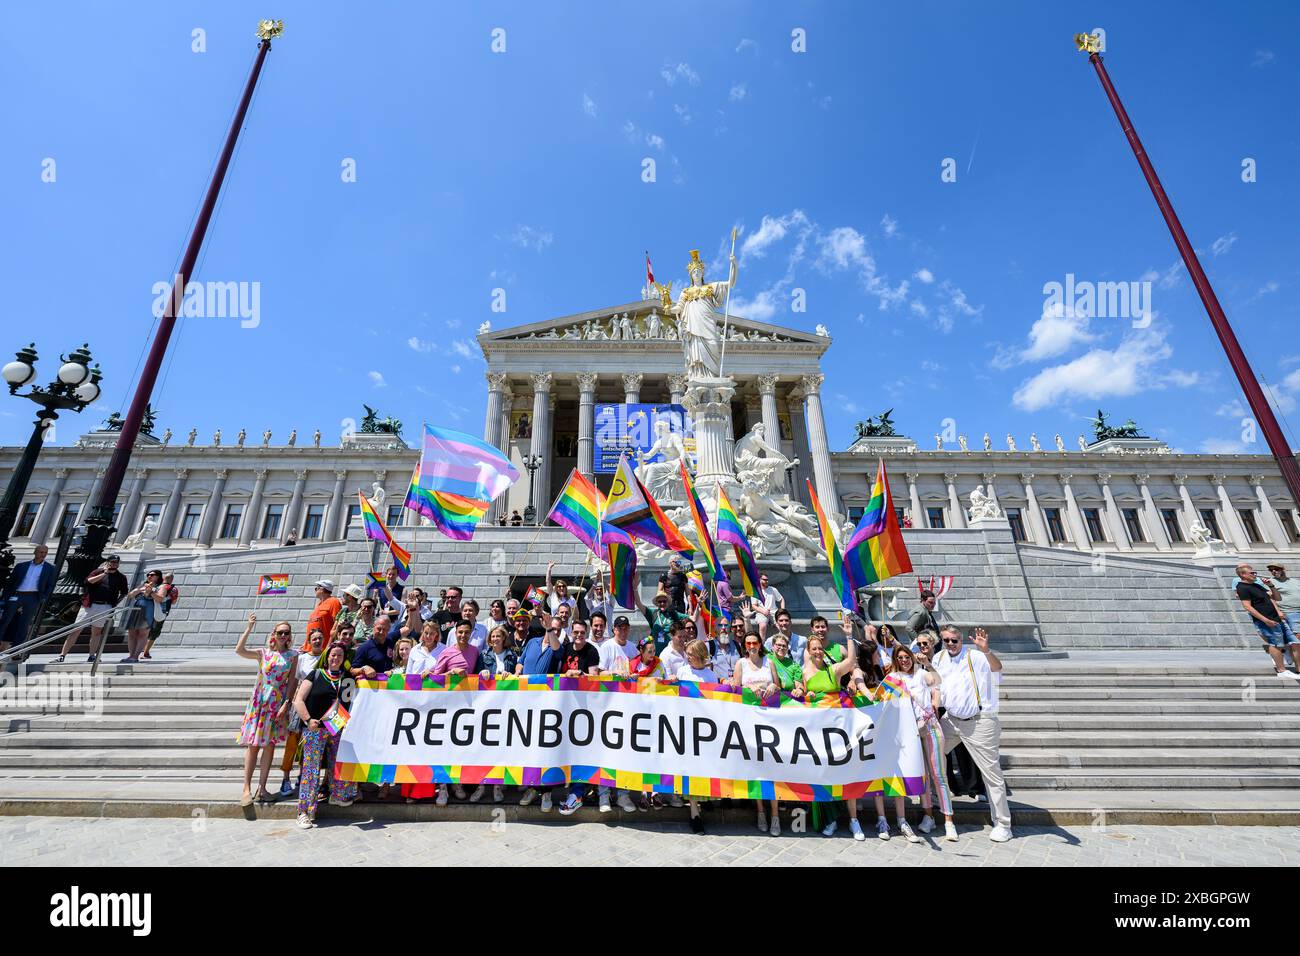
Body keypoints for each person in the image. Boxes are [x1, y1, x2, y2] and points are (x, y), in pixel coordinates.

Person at [934, 625, 1012, 842]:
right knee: (929, 756)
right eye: (947, 640)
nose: (951, 644)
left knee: (991, 774)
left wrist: (986, 650)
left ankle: (1003, 824)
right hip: (951, 720)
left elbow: (997, 669)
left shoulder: (976, 656)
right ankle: (935, 804)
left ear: (962, 640)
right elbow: (936, 687)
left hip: (979, 722)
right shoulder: (939, 658)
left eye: (955, 640)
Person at [891, 642, 957, 842]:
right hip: (910, 732)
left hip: (930, 726)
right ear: (896, 660)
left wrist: (928, 664)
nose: (904, 661)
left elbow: (937, 681)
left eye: (907, 657)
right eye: (900, 658)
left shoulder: (921, 674)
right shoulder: (895, 678)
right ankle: (928, 816)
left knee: (939, 774)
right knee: (923, 777)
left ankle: (949, 820)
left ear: (912, 658)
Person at [292, 641, 359, 828]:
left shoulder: (347, 679)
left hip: (335, 727)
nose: (335, 658)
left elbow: (347, 704)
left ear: (344, 659)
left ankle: (337, 795)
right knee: (311, 769)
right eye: (333, 655)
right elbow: (298, 700)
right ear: (327, 657)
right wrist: (308, 720)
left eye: (339, 655)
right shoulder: (316, 674)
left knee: (336, 763)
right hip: (314, 727)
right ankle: (304, 811)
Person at [804, 623, 862, 838]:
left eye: (820, 648)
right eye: (814, 649)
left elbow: (851, 661)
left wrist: (849, 636)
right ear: (808, 652)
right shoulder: (805, 673)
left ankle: (854, 820)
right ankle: (831, 819)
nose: (818, 651)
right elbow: (805, 698)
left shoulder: (833, 670)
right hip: (817, 732)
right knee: (822, 775)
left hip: (837, 729)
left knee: (844, 771)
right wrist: (806, 694)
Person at [235, 614, 298, 806]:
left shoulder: (293, 656)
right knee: (253, 745)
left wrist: (286, 704)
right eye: (280, 632)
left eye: (286, 632)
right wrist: (249, 628)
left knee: (269, 745)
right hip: (259, 702)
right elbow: (240, 650)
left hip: (276, 704)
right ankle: (246, 788)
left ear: (290, 635)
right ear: (274, 634)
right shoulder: (263, 653)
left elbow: (292, 682)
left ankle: (262, 788)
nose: (283, 635)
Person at [733, 631, 781, 835]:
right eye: (748, 643)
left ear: (760, 644)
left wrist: (773, 685)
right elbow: (735, 688)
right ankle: (761, 811)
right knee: (755, 768)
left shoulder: (769, 662)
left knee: (772, 767)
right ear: (745, 646)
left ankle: (775, 814)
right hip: (749, 720)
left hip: (770, 720)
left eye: (755, 642)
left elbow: (778, 685)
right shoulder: (740, 664)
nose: (752, 646)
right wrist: (748, 687)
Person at [516, 621, 565, 810]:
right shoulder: (532, 642)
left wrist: (551, 631)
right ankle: (531, 787)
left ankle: (546, 793)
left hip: (547, 704)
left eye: (558, 629)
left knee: (546, 749)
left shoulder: (558, 646)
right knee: (529, 747)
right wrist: (518, 670)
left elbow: (557, 649)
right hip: (526, 702)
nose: (555, 631)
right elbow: (521, 661)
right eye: (552, 628)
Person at [278, 627, 326, 797]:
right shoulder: (302, 658)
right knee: (292, 741)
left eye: (320, 638)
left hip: (317, 706)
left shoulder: (327, 657)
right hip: (300, 704)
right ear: (309, 641)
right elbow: (294, 682)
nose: (317, 641)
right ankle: (285, 777)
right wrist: (287, 703)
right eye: (314, 638)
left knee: (308, 743)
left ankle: (302, 775)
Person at [56, 554, 129, 663]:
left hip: (105, 606)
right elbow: (88, 581)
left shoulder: (121, 577)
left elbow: (124, 592)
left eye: (116, 562)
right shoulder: (98, 572)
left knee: (97, 632)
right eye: (112, 562)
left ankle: (92, 655)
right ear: (107, 562)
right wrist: (104, 573)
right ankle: (62, 655)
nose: (114, 564)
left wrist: (115, 604)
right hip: (89, 605)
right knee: (76, 630)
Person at [1237, 564, 1300, 678]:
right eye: (1252, 573)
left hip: (1276, 619)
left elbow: (1277, 598)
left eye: (1255, 572)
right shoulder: (1242, 587)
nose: (1255, 574)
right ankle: (1281, 670)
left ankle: (1291, 662)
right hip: (1266, 620)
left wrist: (1271, 586)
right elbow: (1247, 607)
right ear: (1243, 574)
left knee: (1295, 641)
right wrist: (1265, 620)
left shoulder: (1256, 585)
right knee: (1275, 643)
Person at [0, 543, 56, 655]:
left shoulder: (49, 568)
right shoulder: (22, 566)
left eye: (45, 553)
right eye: (41, 552)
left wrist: (43, 598)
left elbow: (50, 585)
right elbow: (10, 582)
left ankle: (16, 650)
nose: (43, 555)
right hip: (17, 595)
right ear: (35, 552)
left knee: (24, 624)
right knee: (5, 620)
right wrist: (7, 597)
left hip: (33, 597)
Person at [122, 569, 168, 663]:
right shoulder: (143, 585)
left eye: (152, 575)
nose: (149, 576)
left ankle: (135, 656)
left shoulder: (161, 587)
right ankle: (131, 655)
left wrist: (151, 592)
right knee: (132, 632)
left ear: (158, 576)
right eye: (148, 575)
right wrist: (140, 590)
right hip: (136, 610)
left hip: (148, 610)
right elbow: (130, 595)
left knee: (142, 633)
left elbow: (160, 599)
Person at [636, 580, 687, 652]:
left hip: (671, 653)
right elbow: (638, 603)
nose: (662, 603)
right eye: (660, 602)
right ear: (657, 603)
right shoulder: (652, 613)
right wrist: (635, 588)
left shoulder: (673, 614)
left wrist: (699, 606)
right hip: (656, 654)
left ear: (668, 602)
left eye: (664, 601)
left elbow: (691, 618)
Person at [140, 571, 179, 660]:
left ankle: (142, 651)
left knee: (146, 631)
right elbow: (173, 602)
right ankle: (145, 652)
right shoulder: (173, 589)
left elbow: (147, 596)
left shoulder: (156, 586)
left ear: (164, 577)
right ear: (172, 580)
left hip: (149, 610)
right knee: (155, 632)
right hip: (161, 613)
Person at [351, 612, 396, 677]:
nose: (381, 632)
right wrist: (363, 669)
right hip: (372, 683)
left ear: (389, 629)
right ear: (373, 627)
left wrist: (394, 670)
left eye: (384, 629)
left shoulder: (392, 642)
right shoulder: (364, 648)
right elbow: (352, 671)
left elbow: (407, 628)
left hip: (390, 682)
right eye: (379, 629)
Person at [305, 580, 341, 651]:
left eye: (316, 588)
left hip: (323, 647)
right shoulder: (319, 604)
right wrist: (305, 643)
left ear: (322, 589)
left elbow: (337, 624)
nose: (315, 591)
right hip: (310, 647)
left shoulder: (334, 602)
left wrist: (330, 644)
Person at [749, 572, 784, 641]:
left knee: (781, 626)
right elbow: (753, 606)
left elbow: (781, 599)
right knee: (762, 626)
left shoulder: (773, 589)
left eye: (767, 580)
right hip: (761, 612)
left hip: (774, 612)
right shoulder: (755, 591)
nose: (767, 581)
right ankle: (761, 645)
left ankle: (783, 643)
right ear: (759, 580)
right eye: (764, 580)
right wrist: (763, 611)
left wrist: (782, 611)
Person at [769, 633, 805, 700]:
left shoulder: (794, 665)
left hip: (787, 701)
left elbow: (799, 685)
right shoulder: (766, 659)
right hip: (766, 700)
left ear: (787, 648)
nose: (781, 648)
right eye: (778, 645)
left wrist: (800, 690)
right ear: (773, 646)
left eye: (784, 646)